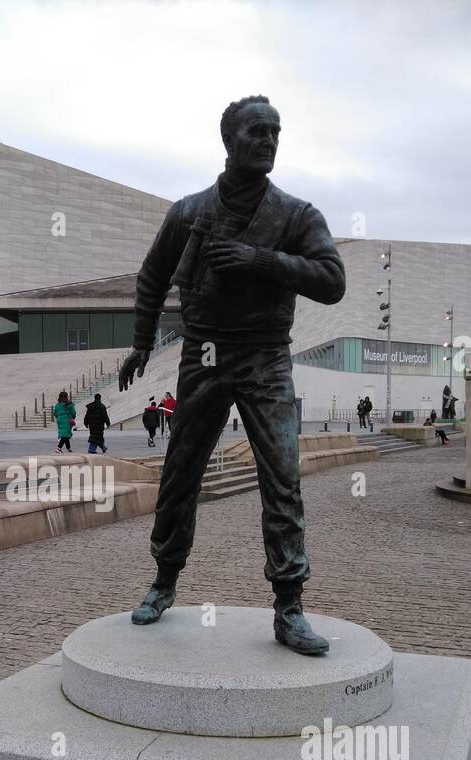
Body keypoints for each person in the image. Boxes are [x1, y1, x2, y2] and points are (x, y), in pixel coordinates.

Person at [117, 94, 346, 655]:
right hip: (206, 353)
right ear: (229, 141)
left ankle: (289, 606)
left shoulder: (296, 215)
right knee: (180, 471)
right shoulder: (189, 212)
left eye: (274, 132)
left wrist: (262, 262)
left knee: (282, 477)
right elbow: (151, 278)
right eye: (255, 132)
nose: (267, 140)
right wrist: (142, 343)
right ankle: (164, 579)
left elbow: (332, 280)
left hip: (266, 355)